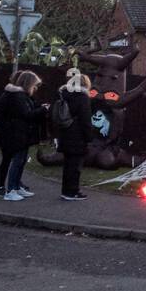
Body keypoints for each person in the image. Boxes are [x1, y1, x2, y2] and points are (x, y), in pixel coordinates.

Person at [0, 71, 46, 201]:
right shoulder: (17, 96)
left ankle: (14, 187)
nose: (36, 88)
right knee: (15, 161)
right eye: (34, 85)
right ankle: (10, 189)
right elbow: (26, 114)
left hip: (16, 133)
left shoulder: (18, 95)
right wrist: (43, 110)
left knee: (18, 161)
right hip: (15, 134)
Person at [55, 70, 96, 201]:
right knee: (76, 166)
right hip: (77, 135)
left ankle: (65, 190)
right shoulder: (82, 97)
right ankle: (73, 191)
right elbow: (85, 119)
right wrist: (89, 137)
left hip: (65, 132)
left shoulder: (64, 94)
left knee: (68, 165)